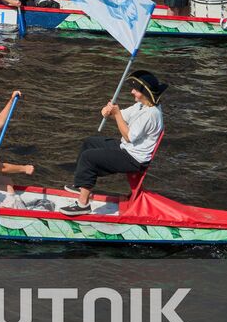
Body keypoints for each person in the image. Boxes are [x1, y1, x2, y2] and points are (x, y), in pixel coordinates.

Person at [61, 71, 166, 215]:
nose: (132, 91)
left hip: (134, 159)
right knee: (90, 143)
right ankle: (82, 185)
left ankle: (83, 204)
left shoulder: (151, 114)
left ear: (145, 93)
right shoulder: (141, 105)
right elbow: (121, 116)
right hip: (126, 148)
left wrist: (116, 114)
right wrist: (108, 111)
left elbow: (128, 136)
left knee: (89, 157)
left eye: (136, 89)